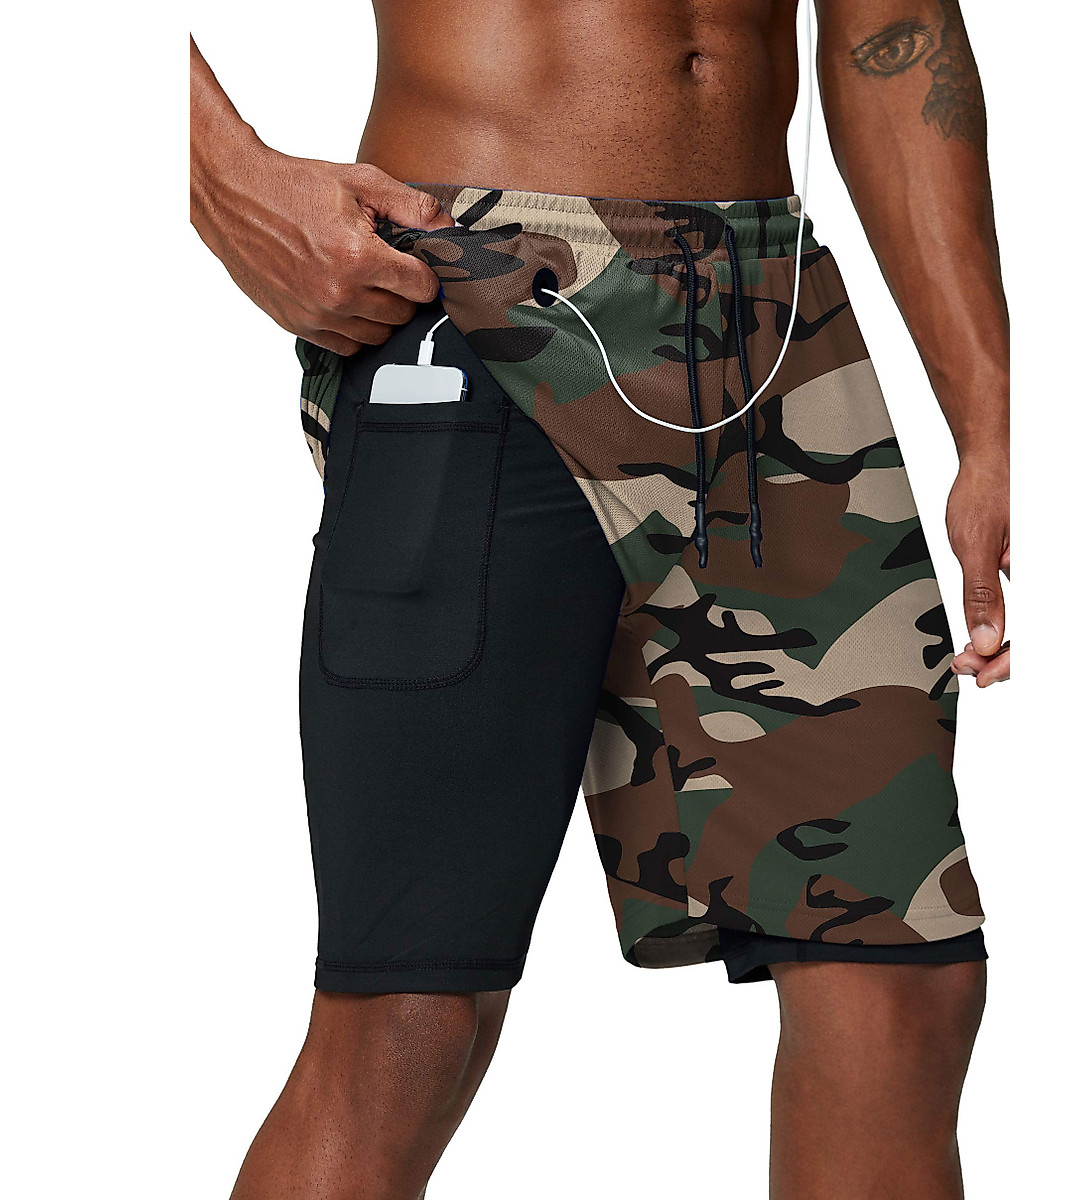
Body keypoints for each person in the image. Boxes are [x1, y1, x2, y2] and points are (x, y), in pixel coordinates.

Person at [190, 1, 1009, 1195]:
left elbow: (893, 27)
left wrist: (988, 423)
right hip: (485, 290)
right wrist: (220, 167)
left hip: (769, 327)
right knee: (408, 1016)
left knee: (900, 974)